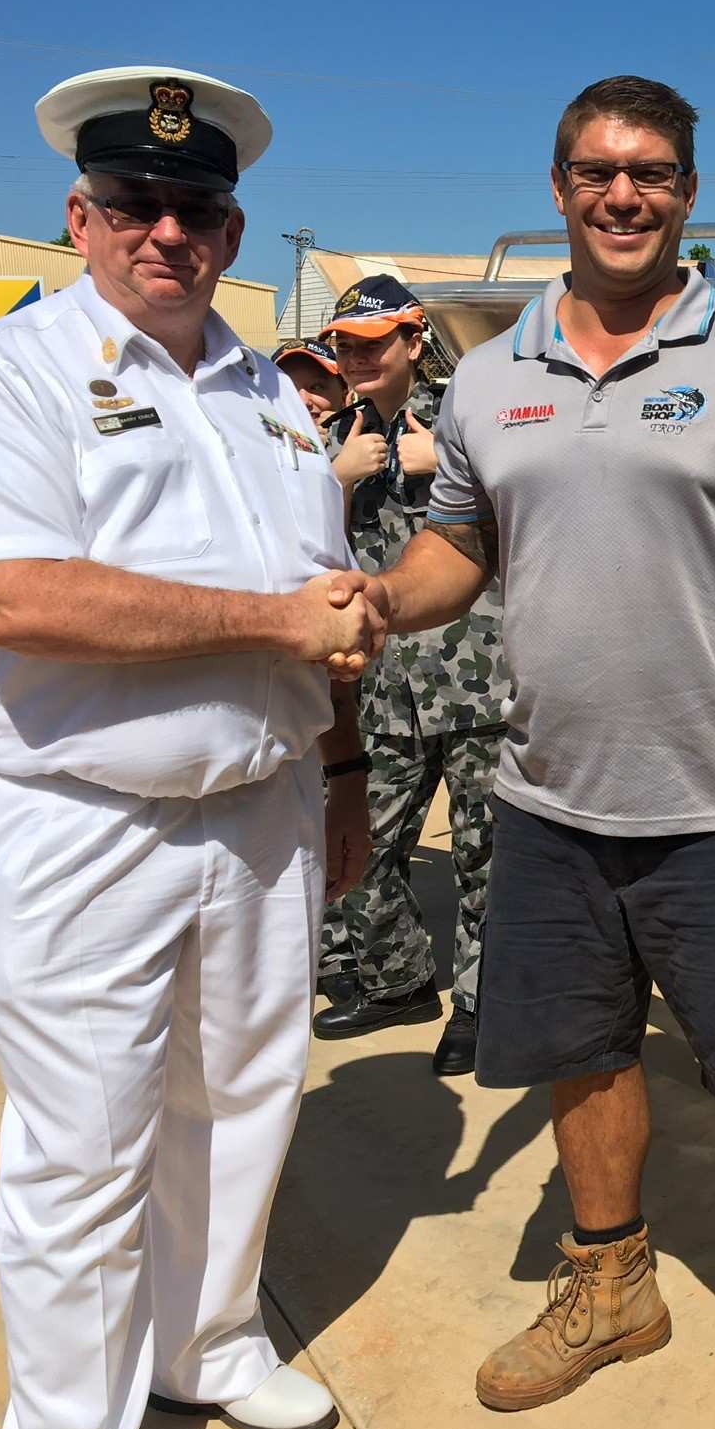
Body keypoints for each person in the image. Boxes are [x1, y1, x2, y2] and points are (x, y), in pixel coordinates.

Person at [370, 75, 715, 1429]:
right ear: (558, 190)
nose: (623, 194)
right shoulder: (488, 378)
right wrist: (373, 602)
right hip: (546, 799)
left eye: (650, 172)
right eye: (596, 171)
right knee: (584, 1059)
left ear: (689, 193)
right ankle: (614, 1291)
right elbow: (454, 553)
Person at [0, 66, 384, 1429]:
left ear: (232, 232)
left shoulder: (273, 397)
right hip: (80, 825)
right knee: (86, 1154)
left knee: (241, 1106)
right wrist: (268, 622)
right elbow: (15, 595)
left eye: (195, 208)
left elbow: (331, 605)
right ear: (81, 214)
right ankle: (70, 1421)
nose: (165, 232)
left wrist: (343, 777)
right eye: (135, 204)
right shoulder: (7, 374)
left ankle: (212, 1345)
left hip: (263, 814)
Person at [309, 276, 507, 1073]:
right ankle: (398, 980)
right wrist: (338, 475)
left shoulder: (471, 410)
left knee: (484, 857)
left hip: (478, 679)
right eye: (345, 345)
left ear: (414, 342)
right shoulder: (341, 433)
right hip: (387, 687)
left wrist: (456, 459)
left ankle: (484, 1006)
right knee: (360, 845)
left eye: (374, 342)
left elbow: (539, 503)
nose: (356, 357)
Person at [273, 337, 349, 427]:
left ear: (344, 396)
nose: (303, 402)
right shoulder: (256, 437)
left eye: (316, 387)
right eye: (289, 389)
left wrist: (337, 438)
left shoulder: (367, 436)